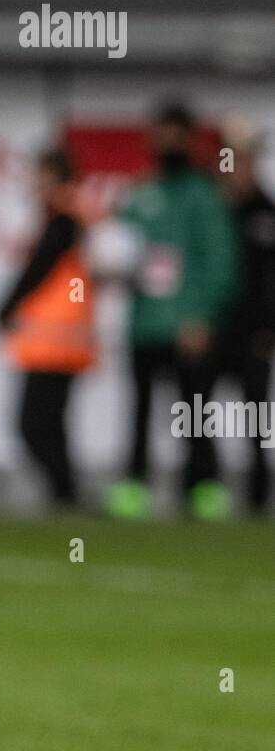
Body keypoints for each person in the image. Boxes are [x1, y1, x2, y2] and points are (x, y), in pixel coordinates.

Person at [108, 102, 238, 519]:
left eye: (175, 134)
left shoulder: (203, 195)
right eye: (160, 133)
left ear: (188, 139)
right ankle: (133, 486)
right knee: (140, 411)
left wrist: (201, 316)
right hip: (145, 324)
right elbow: (119, 252)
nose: (167, 142)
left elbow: (220, 260)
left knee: (194, 412)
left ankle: (203, 487)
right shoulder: (140, 193)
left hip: (187, 325)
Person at [0, 149, 95, 507]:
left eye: (42, 177)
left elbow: (37, 269)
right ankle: (66, 495)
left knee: (33, 424)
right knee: (50, 424)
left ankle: (66, 493)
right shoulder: (68, 219)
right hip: (56, 341)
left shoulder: (64, 221)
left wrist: (5, 307)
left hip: (55, 341)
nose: (35, 185)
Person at [207, 115, 275, 513]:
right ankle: (206, 491)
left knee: (255, 417)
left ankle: (257, 496)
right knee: (197, 413)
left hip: (254, 333)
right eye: (232, 158)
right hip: (213, 328)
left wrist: (270, 327)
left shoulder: (266, 212)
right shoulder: (211, 212)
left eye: (246, 158)